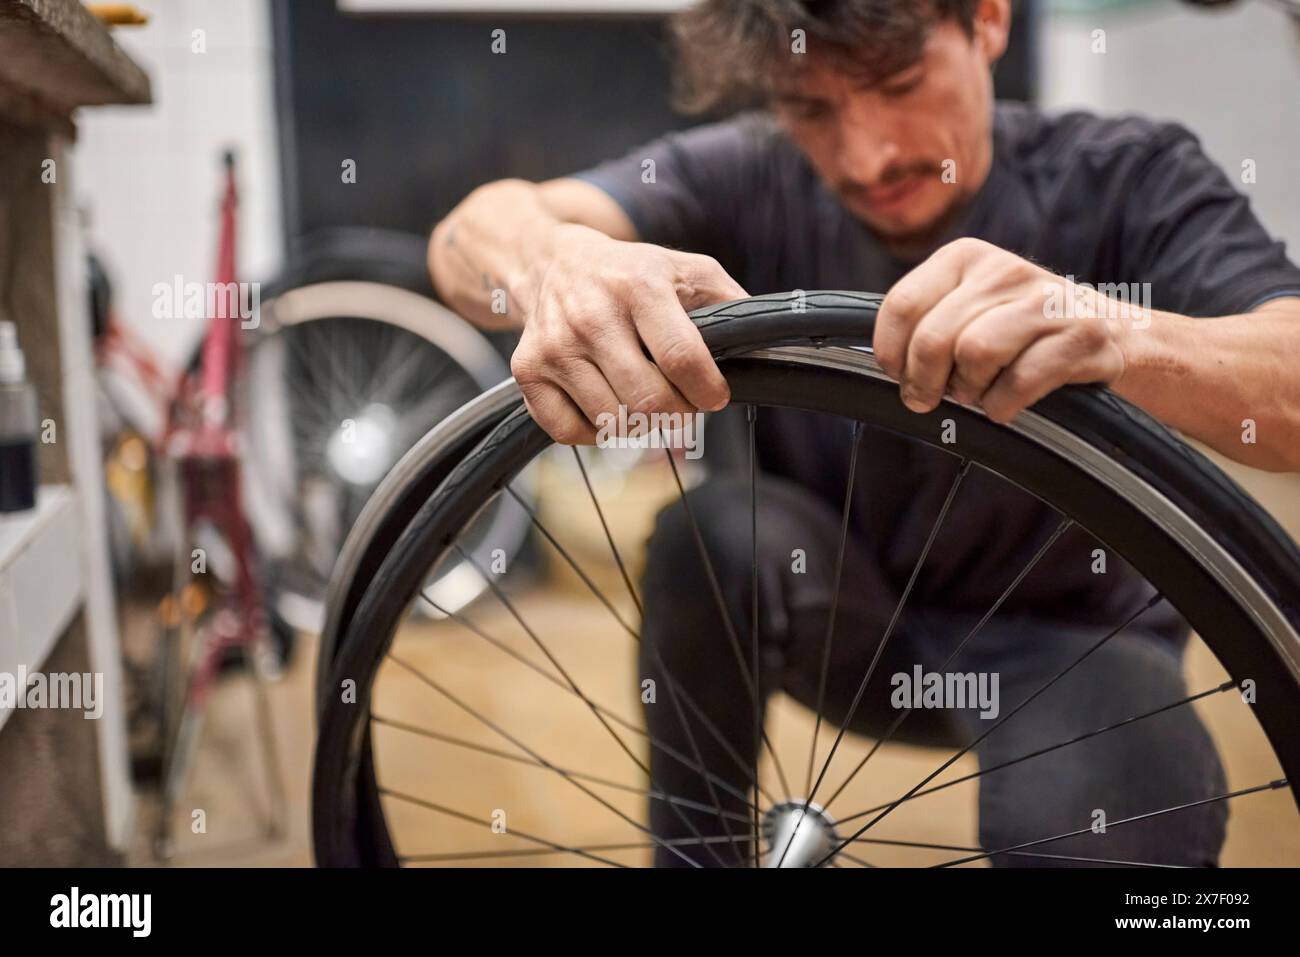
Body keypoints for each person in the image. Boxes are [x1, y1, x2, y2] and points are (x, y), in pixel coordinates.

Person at [427, 0, 1300, 866]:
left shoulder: (1129, 174)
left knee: (1116, 846)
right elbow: (472, 231)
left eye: (900, 82)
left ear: (988, 22)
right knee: (711, 537)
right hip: (840, 619)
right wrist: (556, 264)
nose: (867, 155)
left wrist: (1121, 333)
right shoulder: (746, 172)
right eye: (811, 107)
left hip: (1071, 643)